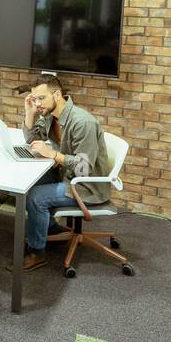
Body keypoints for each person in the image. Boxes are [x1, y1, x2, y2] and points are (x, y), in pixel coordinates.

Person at [9, 75, 111, 272]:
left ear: (56, 95)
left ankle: (36, 253)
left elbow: (84, 168)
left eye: (41, 98)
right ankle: (51, 229)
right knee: (30, 183)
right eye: (34, 99)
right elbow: (32, 139)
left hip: (86, 186)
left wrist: (53, 154)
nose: (37, 104)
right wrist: (29, 113)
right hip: (67, 176)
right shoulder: (50, 116)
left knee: (36, 197)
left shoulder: (82, 122)